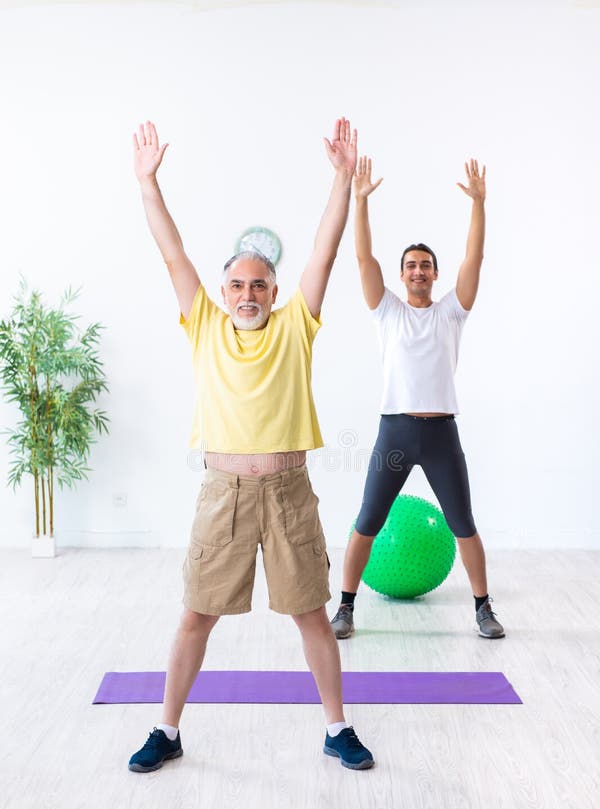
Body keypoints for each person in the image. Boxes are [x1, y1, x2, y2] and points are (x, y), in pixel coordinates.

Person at [128, 119, 374, 773]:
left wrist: (341, 180)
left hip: (289, 496)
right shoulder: (204, 324)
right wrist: (149, 184)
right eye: (236, 284)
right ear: (222, 291)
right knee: (194, 619)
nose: (246, 294)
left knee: (312, 617)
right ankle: (167, 730)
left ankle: (336, 729)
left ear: (273, 292)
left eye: (258, 284)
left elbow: (321, 255)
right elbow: (172, 252)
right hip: (223, 496)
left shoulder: (296, 326)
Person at [330, 155, 504, 641]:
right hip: (397, 431)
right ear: (403, 275)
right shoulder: (387, 311)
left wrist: (479, 205)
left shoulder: (452, 312)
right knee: (367, 520)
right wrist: (360, 202)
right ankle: (344, 608)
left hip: (441, 433)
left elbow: (475, 259)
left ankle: (483, 608)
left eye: (426, 265)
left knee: (464, 523)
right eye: (411, 265)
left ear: (434, 273)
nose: (418, 271)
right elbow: (364, 260)